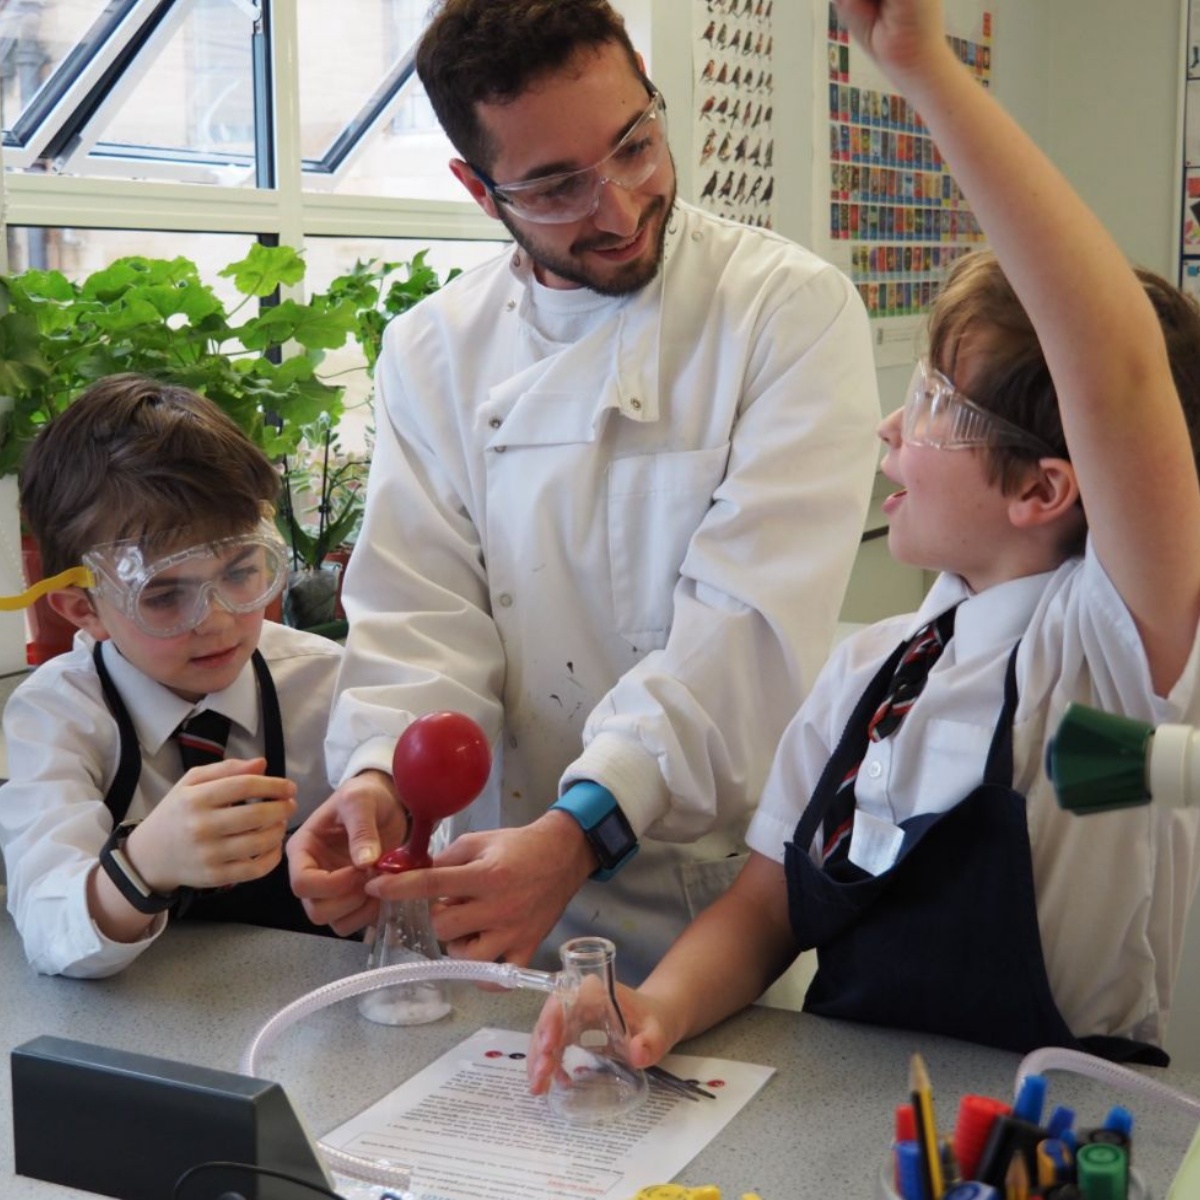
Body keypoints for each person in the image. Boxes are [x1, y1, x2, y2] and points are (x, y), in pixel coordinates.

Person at [527, 0, 1200, 1082]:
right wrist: (657, 1006)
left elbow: (1117, 373)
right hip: (852, 1128)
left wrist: (921, 67)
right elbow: (767, 908)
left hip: (1056, 1132)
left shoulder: (1103, 660)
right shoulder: (870, 670)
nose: (891, 426)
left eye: (932, 405)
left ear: (1044, 487)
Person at [288, 0, 881, 983]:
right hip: (489, 886)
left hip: (709, 909)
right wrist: (381, 781)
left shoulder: (784, 312)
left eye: (635, 145)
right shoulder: (433, 352)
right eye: (559, 186)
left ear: (647, 85)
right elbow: (419, 620)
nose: (620, 206)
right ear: (479, 191)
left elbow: (744, 638)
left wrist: (580, 832)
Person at [0, 375, 344, 978]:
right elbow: (48, 926)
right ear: (83, 609)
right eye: (161, 597)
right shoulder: (57, 716)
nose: (217, 620)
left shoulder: (327, 683)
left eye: (241, 573)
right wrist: (144, 864)